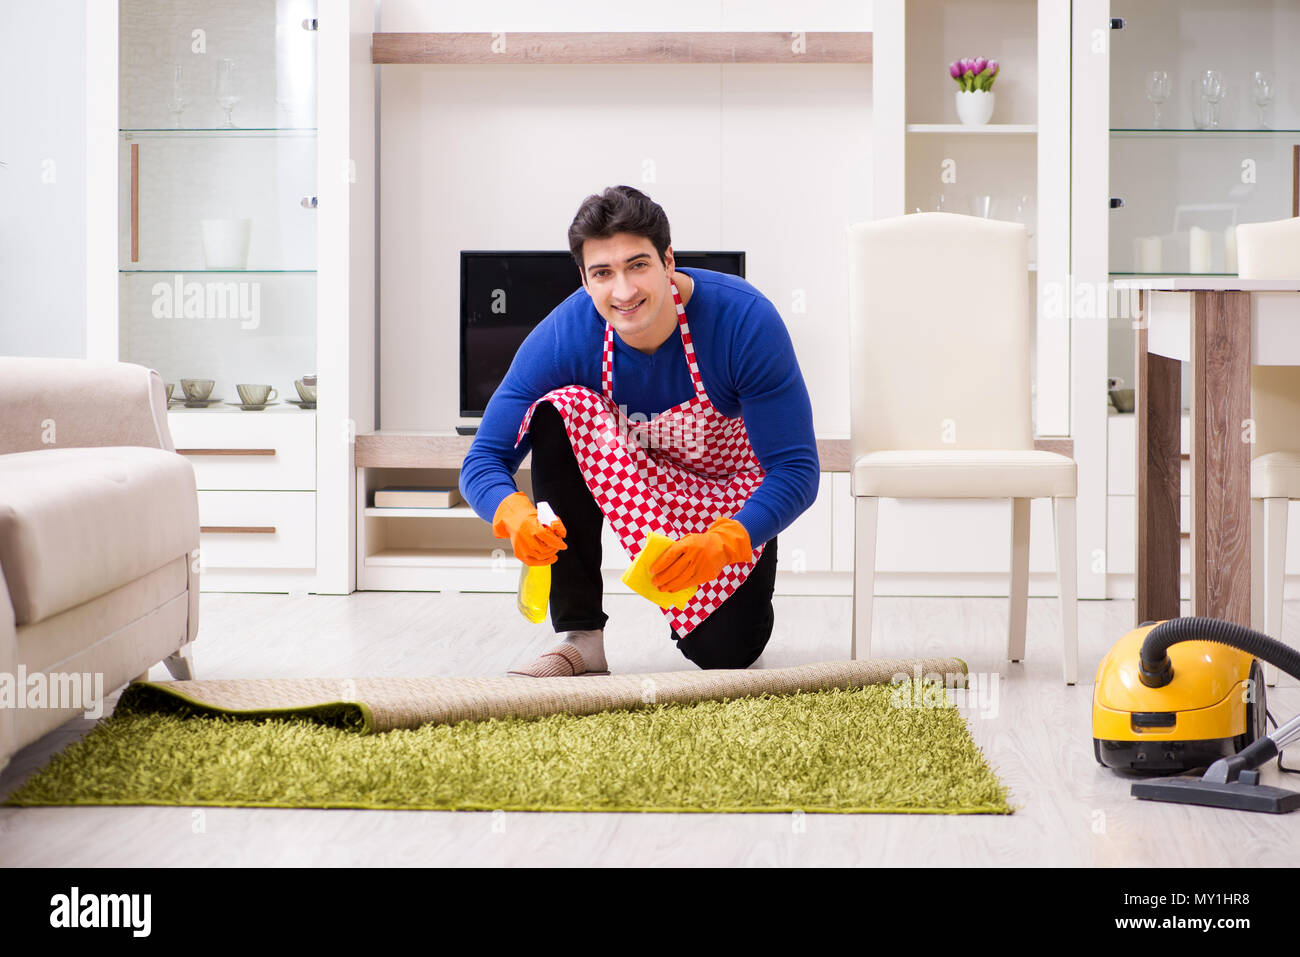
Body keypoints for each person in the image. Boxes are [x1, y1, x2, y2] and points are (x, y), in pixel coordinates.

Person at [459, 185, 819, 676]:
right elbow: (482, 460)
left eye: (638, 265)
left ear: (668, 260)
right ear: (584, 280)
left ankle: (731, 596)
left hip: (729, 496)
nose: (623, 291)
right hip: (636, 483)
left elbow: (796, 471)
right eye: (603, 273)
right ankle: (581, 638)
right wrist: (513, 514)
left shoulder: (743, 321)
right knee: (557, 411)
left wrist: (725, 541)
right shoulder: (565, 337)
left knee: (726, 654)